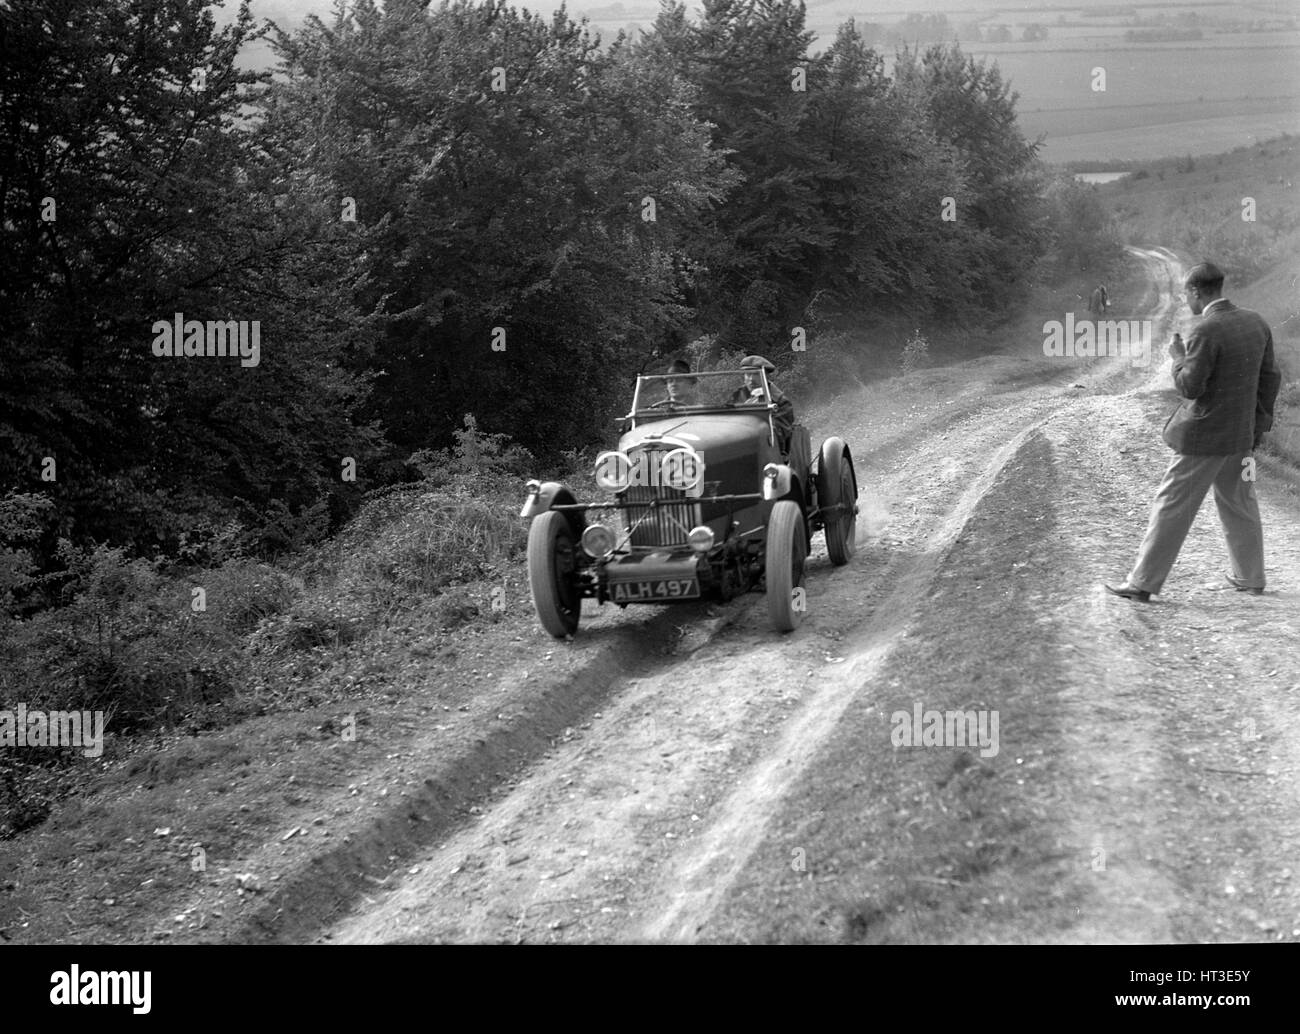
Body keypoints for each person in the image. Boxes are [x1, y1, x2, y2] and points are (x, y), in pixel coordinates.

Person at [1105, 262, 1281, 601]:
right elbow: (1270, 379)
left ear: (1197, 292)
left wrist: (1178, 359)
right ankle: (1252, 578)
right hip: (1240, 437)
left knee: (1172, 503)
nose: (1186, 300)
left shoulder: (1205, 330)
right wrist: (1258, 425)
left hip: (1204, 439)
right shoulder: (1256, 322)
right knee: (1240, 502)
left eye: (1186, 293)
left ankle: (1142, 583)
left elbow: (1190, 387)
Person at [728, 354, 794, 454]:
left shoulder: (780, 402)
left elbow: (778, 435)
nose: (751, 379)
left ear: (766, 377)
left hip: (767, 454)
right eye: (748, 374)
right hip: (735, 450)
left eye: (756, 374)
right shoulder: (737, 396)